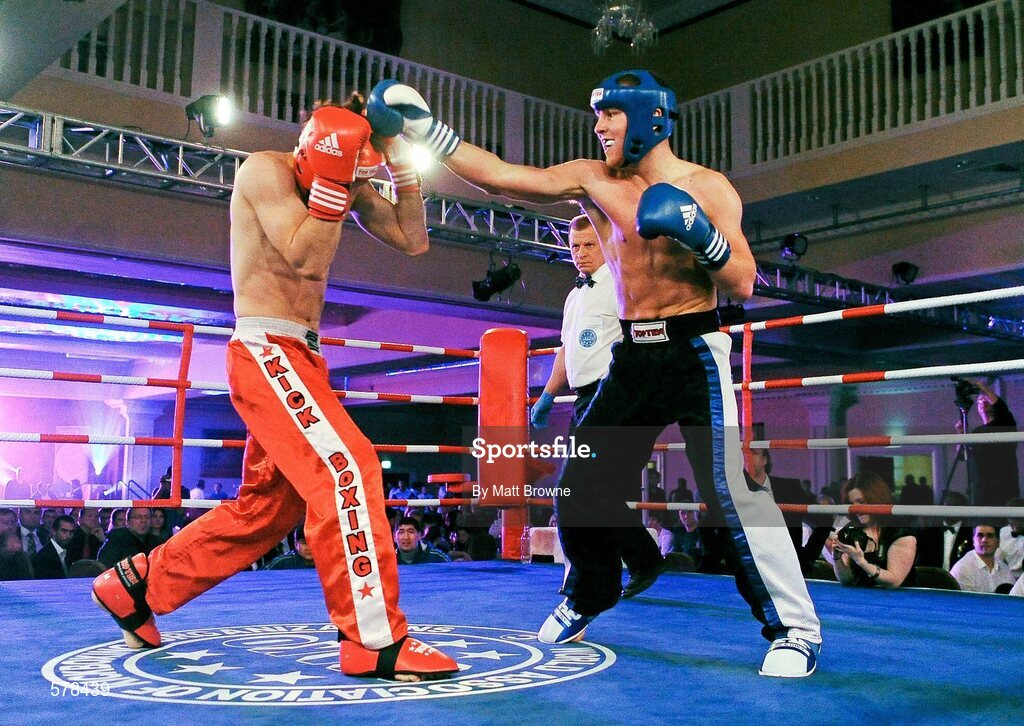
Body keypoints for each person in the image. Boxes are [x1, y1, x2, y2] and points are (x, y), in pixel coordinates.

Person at [367, 69, 821, 677]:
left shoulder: (707, 187)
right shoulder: (594, 180)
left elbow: (741, 282)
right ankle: (590, 591)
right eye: (597, 116)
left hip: (693, 349)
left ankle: (795, 629)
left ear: (648, 116)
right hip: (632, 356)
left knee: (728, 489)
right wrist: (428, 131)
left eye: (610, 114)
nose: (599, 126)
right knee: (579, 486)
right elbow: (504, 176)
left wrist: (700, 235)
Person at [91, 96, 457, 682]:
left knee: (269, 509)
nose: (354, 178)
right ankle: (374, 640)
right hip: (267, 348)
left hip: (303, 356)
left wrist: (398, 166)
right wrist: (336, 181)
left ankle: (136, 586)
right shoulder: (264, 170)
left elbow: (413, 239)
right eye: (349, 164)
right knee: (348, 469)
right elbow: (305, 257)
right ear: (316, 148)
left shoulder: (351, 178)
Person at [530, 213, 665, 596]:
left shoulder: (622, 286)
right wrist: (547, 395)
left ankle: (585, 574)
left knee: (574, 488)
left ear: (605, 244)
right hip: (584, 400)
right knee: (593, 492)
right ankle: (643, 560)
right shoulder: (575, 296)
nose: (581, 253)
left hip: (613, 397)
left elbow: (643, 342)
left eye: (589, 245)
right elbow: (566, 351)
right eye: (575, 246)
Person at [831, 473, 917, 589]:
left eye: (861, 502)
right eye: (852, 504)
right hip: (861, 597)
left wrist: (862, 562)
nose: (856, 508)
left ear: (876, 499)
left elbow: (894, 581)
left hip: (899, 598)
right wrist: (837, 558)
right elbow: (847, 580)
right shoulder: (852, 530)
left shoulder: (900, 532)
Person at [957, 378, 1019, 506]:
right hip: (981, 491)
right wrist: (961, 434)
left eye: (986, 400)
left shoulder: (1004, 424)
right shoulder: (976, 432)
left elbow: (1001, 407)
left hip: (1003, 488)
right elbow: (962, 455)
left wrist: (981, 386)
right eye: (980, 401)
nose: (983, 402)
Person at [950, 524, 1017, 593]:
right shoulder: (962, 569)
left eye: (990, 536)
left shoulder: (1004, 568)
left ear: (998, 542)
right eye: (980, 535)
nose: (984, 540)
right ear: (973, 540)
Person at [31, 514, 77, 579]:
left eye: (71, 532)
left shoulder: (71, 550)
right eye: (64, 531)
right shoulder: (43, 556)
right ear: (54, 531)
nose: (68, 535)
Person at [996, 497, 1024, 580]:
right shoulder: (1003, 533)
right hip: (1005, 578)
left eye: (1019, 525)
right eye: (1012, 525)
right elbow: (997, 559)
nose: (1014, 529)